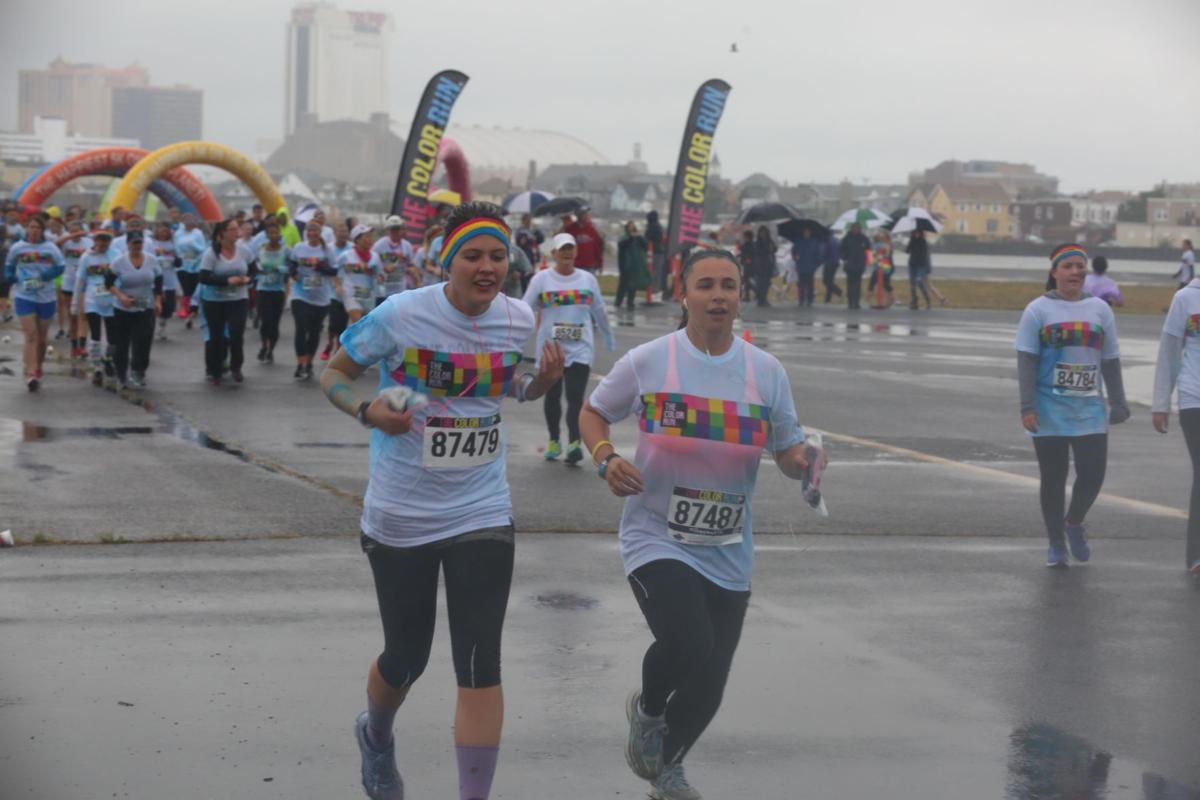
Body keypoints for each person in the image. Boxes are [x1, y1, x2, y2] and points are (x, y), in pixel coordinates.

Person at [319, 201, 565, 800]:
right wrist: (368, 411)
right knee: (407, 656)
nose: (488, 267)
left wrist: (541, 385)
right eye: (473, 256)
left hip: (482, 507)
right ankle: (376, 734)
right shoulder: (401, 314)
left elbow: (506, 388)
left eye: (498, 255)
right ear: (446, 260)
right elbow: (334, 374)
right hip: (401, 513)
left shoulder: (517, 319)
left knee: (481, 660)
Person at [579, 247, 812, 800]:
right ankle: (650, 711)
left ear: (741, 296)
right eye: (705, 285)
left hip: (728, 544)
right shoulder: (650, 360)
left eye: (728, 285)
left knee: (709, 684)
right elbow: (593, 412)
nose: (718, 296)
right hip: (656, 535)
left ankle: (668, 769)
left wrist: (805, 463)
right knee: (687, 642)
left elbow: (787, 450)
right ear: (683, 295)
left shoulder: (766, 371)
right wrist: (607, 459)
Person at [1015, 244, 1129, 567]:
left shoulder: (1100, 310)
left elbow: (1110, 360)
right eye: (1069, 267)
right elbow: (1027, 361)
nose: (1077, 272)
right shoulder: (1037, 310)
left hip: (1089, 409)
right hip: (1048, 408)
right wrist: (1027, 407)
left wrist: (1118, 402)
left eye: (1081, 267)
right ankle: (1055, 544)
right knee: (1053, 477)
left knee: (1093, 474)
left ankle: (1074, 521)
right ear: (1054, 272)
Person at [523, 231, 615, 464]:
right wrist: (515, 338)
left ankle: (574, 443)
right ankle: (554, 441)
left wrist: (608, 336)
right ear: (553, 253)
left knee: (575, 397)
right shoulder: (541, 279)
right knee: (552, 396)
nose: (566, 253)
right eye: (562, 249)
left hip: (580, 347)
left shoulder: (587, 279)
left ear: (575, 252)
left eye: (570, 248)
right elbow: (525, 308)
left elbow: (599, 311)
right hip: (551, 348)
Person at [1152, 269, 1200, 576]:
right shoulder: (1185, 299)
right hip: (1194, 397)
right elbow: (1169, 353)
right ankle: (1196, 556)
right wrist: (1160, 404)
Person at [5, 217, 65, 390]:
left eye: (37, 227)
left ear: (42, 230)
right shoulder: (17, 247)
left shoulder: (50, 248)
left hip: (46, 296)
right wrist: (11, 277)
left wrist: (44, 277)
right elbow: (9, 265)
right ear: (26, 229)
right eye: (31, 227)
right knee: (30, 335)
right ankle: (31, 373)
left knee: (41, 337)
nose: (34, 230)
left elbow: (60, 267)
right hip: (24, 296)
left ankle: (38, 366)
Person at [197, 220, 256, 386]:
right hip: (214, 301)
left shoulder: (244, 250)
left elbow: (254, 269)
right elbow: (203, 277)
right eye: (232, 229)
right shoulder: (211, 253)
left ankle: (236, 367)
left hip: (238, 299)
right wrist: (226, 280)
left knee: (237, 334)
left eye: (238, 228)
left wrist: (248, 278)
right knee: (217, 336)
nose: (236, 232)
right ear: (222, 233)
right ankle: (215, 371)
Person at [107, 230, 163, 389]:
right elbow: (108, 283)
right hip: (123, 308)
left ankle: (138, 371)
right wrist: (121, 296)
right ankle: (121, 374)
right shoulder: (119, 262)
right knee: (122, 343)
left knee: (143, 339)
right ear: (128, 244)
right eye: (134, 243)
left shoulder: (151, 260)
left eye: (139, 243)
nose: (137, 246)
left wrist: (158, 301)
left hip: (145, 306)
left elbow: (158, 280)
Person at [287, 220, 338, 380]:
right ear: (306, 232)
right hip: (300, 294)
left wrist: (324, 268)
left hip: (321, 298)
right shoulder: (299, 247)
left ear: (319, 232)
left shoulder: (327, 250)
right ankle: (300, 364)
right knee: (301, 328)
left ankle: (309, 363)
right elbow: (292, 263)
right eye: (309, 231)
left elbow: (334, 270)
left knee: (314, 332)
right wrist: (293, 272)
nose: (311, 233)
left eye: (315, 231)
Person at [72, 229, 117, 387]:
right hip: (93, 300)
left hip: (111, 300)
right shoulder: (86, 257)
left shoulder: (116, 255)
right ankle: (97, 366)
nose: (103, 243)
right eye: (100, 240)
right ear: (94, 240)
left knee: (113, 337)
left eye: (106, 240)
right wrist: (75, 304)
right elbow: (79, 280)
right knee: (96, 334)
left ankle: (108, 360)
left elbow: (122, 277)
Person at [253, 220, 290, 363]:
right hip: (263, 290)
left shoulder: (285, 250)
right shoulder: (260, 248)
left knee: (274, 323)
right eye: (271, 233)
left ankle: (271, 350)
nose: (274, 235)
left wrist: (279, 269)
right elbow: (254, 265)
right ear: (267, 235)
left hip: (278, 290)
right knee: (265, 321)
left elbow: (291, 268)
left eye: (276, 233)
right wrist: (258, 271)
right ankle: (263, 346)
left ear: (279, 234)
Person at [57, 219, 92, 356]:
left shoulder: (88, 243)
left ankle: (82, 344)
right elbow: (56, 243)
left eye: (77, 231)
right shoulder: (65, 241)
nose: (75, 234)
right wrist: (70, 236)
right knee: (72, 315)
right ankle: (74, 344)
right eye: (72, 231)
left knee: (82, 315)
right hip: (68, 281)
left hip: (84, 281)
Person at [339, 224, 383, 332]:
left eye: (371, 236)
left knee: (365, 328)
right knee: (358, 323)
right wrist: (337, 286)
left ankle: (349, 344)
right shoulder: (346, 256)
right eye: (366, 237)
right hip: (351, 294)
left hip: (369, 295)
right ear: (357, 239)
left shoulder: (375, 256)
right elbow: (335, 272)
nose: (370, 240)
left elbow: (381, 275)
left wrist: (379, 278)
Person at [147, 221, 182, 341]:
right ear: (157, 231)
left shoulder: (173, 244)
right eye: (161, 230)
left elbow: (179, 262)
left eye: (166, 231)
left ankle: (162, 326)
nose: (163, 233)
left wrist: (176, 257)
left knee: (168, 308)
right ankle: (151, 327)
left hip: (169, 279)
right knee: (153, 305)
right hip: (155, 279)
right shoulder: (151, 244)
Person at [322, 223, 352, 361]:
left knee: (342, 324)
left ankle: (338, 351)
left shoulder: (352, 248)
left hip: (347, 292)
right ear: (335, 232)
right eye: (340, 230)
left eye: (345, 231)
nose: (343, 233)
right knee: (333, 324)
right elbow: (327, 267)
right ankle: (329, 343)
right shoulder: (329, 248)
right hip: (331, 291)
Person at [371, 216, 417, 306]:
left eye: (398, 229)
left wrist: (411, 270)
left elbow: (412, 264)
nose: (396, 232)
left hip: (400, 289)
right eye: (393, 229)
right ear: (388, 230)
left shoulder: (407, 246)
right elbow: (372, 264)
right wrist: (384, 268)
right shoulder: (379, 245)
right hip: (382, 290)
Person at [174, 214, 207, 327]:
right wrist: (181, 256)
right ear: (183, 221)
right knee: (185, 288)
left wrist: (193, 245)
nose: (190, 221)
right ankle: (186, 310)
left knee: (194, 290)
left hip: (196, 265)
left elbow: (203, 249)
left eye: (192, 219)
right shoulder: (178, 233)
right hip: (182, 266)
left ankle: (192, 311)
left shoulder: (198, 233)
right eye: (187, 219)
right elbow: (176, 248)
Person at [617, 221, 649, 310]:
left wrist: (639, 237)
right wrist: (631, 237)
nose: (631, 228)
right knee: (623, 284)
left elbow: (645, 245)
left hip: (635, 265)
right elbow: (622, 245)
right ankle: (618, 301)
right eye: (629, 227)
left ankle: (630, 302)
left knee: (632, 285)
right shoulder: (624, 238)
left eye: (632, 226)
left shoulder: (638, 238)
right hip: (625, 265)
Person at [839, 222, 870, 309]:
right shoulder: (847, 238)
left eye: (858, 228)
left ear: (860, 229)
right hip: (849, 265)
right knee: (850, 284)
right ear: (852, 228)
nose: (856, 229)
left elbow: (868, 251)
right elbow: (841, 250)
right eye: (854, 228)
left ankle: (856, 302)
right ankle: (850, 302)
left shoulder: (864, 239)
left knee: (857, 284)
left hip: (860, 265)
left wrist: (867, 261)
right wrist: (845, 258)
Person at [565, 207, 604, 274]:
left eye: (586, 214)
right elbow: (563, 246)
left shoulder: (592, 230)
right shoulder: (570, 229)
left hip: (590, 265)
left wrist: (600, 263)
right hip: (575, 265)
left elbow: (598, 248)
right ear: (577, 215)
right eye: (582, 214)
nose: (585, 216)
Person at [791, 227, 822, 307]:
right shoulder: (799, 241)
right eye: (805, 232)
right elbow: (794, 251)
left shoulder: (814, 242)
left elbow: (817, 254)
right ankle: (801, 300)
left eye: (808, 232)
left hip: (811, 266)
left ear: (810, 233)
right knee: (801, 284)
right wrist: (795, 257)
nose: (806, 233)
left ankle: (809, 300)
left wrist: (816, 264)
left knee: (810, 284)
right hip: (801, 266)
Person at [868, 230, 895, 308]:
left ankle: (869, 299)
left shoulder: (886, 245)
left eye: (883, 237)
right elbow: (875, 258)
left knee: (879, 283)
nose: (882, 239)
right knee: (884, 284)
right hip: (885, 265)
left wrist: (876, 257)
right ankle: (888, 300)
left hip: (885, 266)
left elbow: (873, 258)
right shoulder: (886, 245)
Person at [752, 225, 777, 307]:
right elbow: (757, 253)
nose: (763, 234)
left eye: (765, 232)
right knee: (760, 283)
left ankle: (764, 299)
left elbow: (775, 249)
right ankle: (761, 299)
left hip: (769, 265)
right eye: (761, 233)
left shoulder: (770, 242)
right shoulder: (757, 243)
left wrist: (772, 249)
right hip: (760, 266)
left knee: (766, 283)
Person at [514, 213, 544, 278]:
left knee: (534, 276)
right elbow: (520, 243)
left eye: (530, 220)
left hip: (534, 256)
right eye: (527, 220)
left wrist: (537, 232)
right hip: (526, 257)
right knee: (527, 276)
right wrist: (526, 238)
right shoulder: (520, 231)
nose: (529, 222)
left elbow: (541, 239)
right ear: (523, 221)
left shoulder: (534, 230)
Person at [821, 231, 843, 304]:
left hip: (829, 262)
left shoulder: (827, 240)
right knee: (830, 280)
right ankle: (827, 299)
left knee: (826, 281)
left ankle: (839, 292)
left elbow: (824, 252)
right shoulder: (836, 240)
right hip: (836, 262)